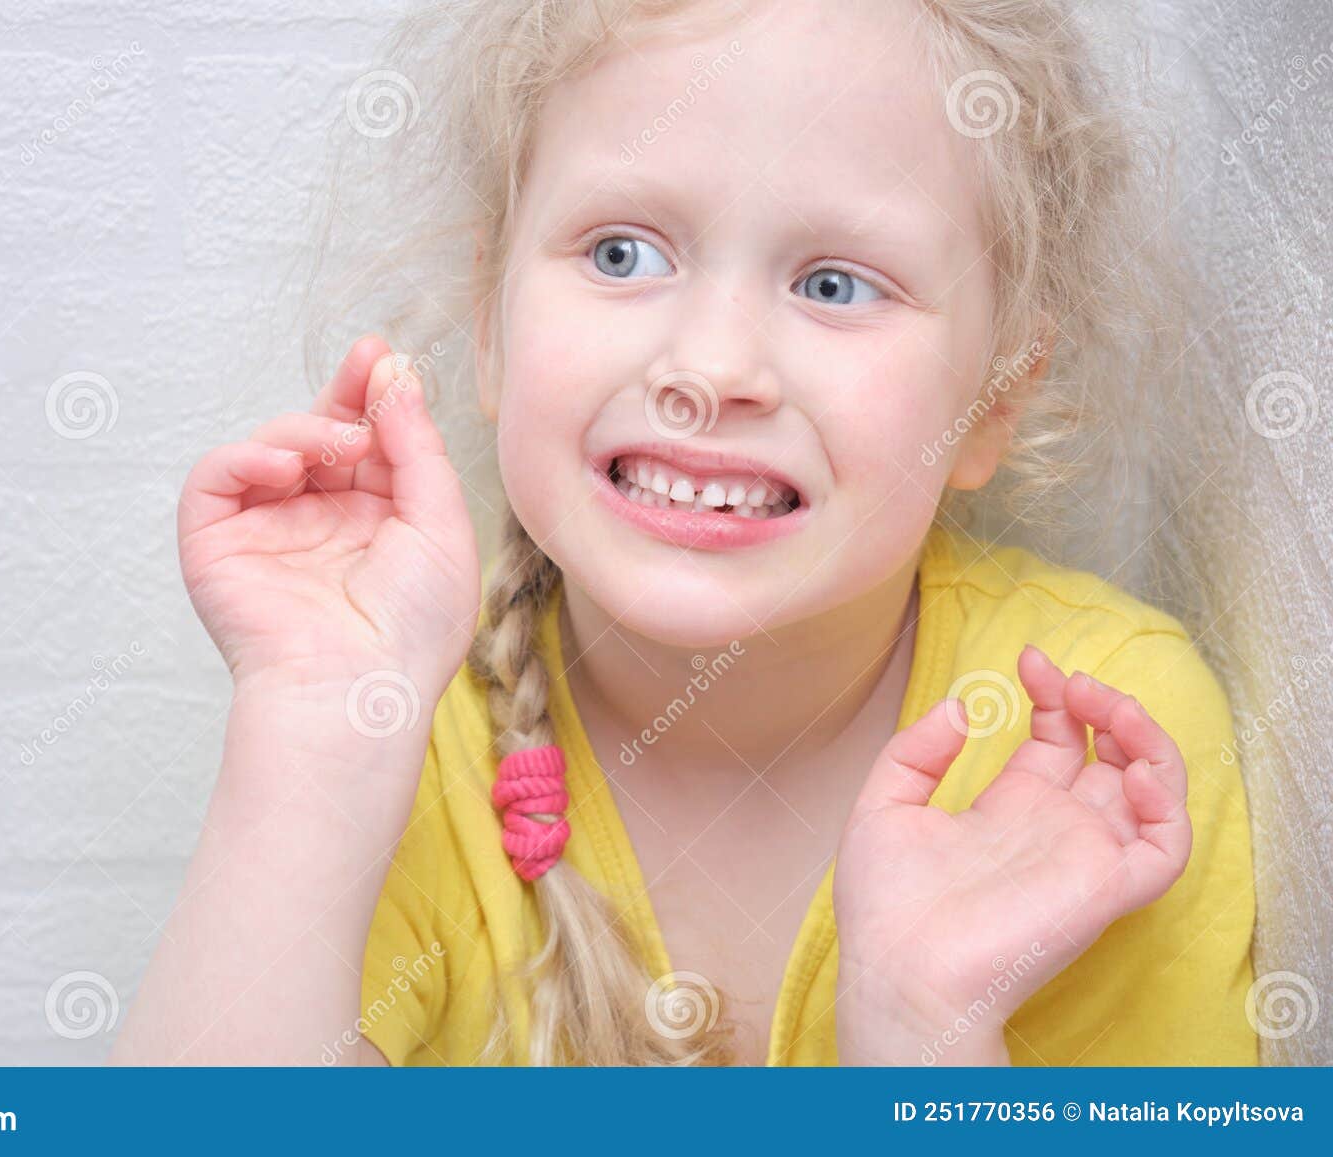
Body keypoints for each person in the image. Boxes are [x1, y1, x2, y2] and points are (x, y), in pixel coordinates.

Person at [114, 0, 1257, 1066]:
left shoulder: (1094, 753)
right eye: (622, 252)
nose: (710, 368)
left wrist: (925, 1035)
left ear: (996, 394)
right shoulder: (401, 727)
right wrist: (312, 741)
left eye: (837, 284)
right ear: (491, 321)